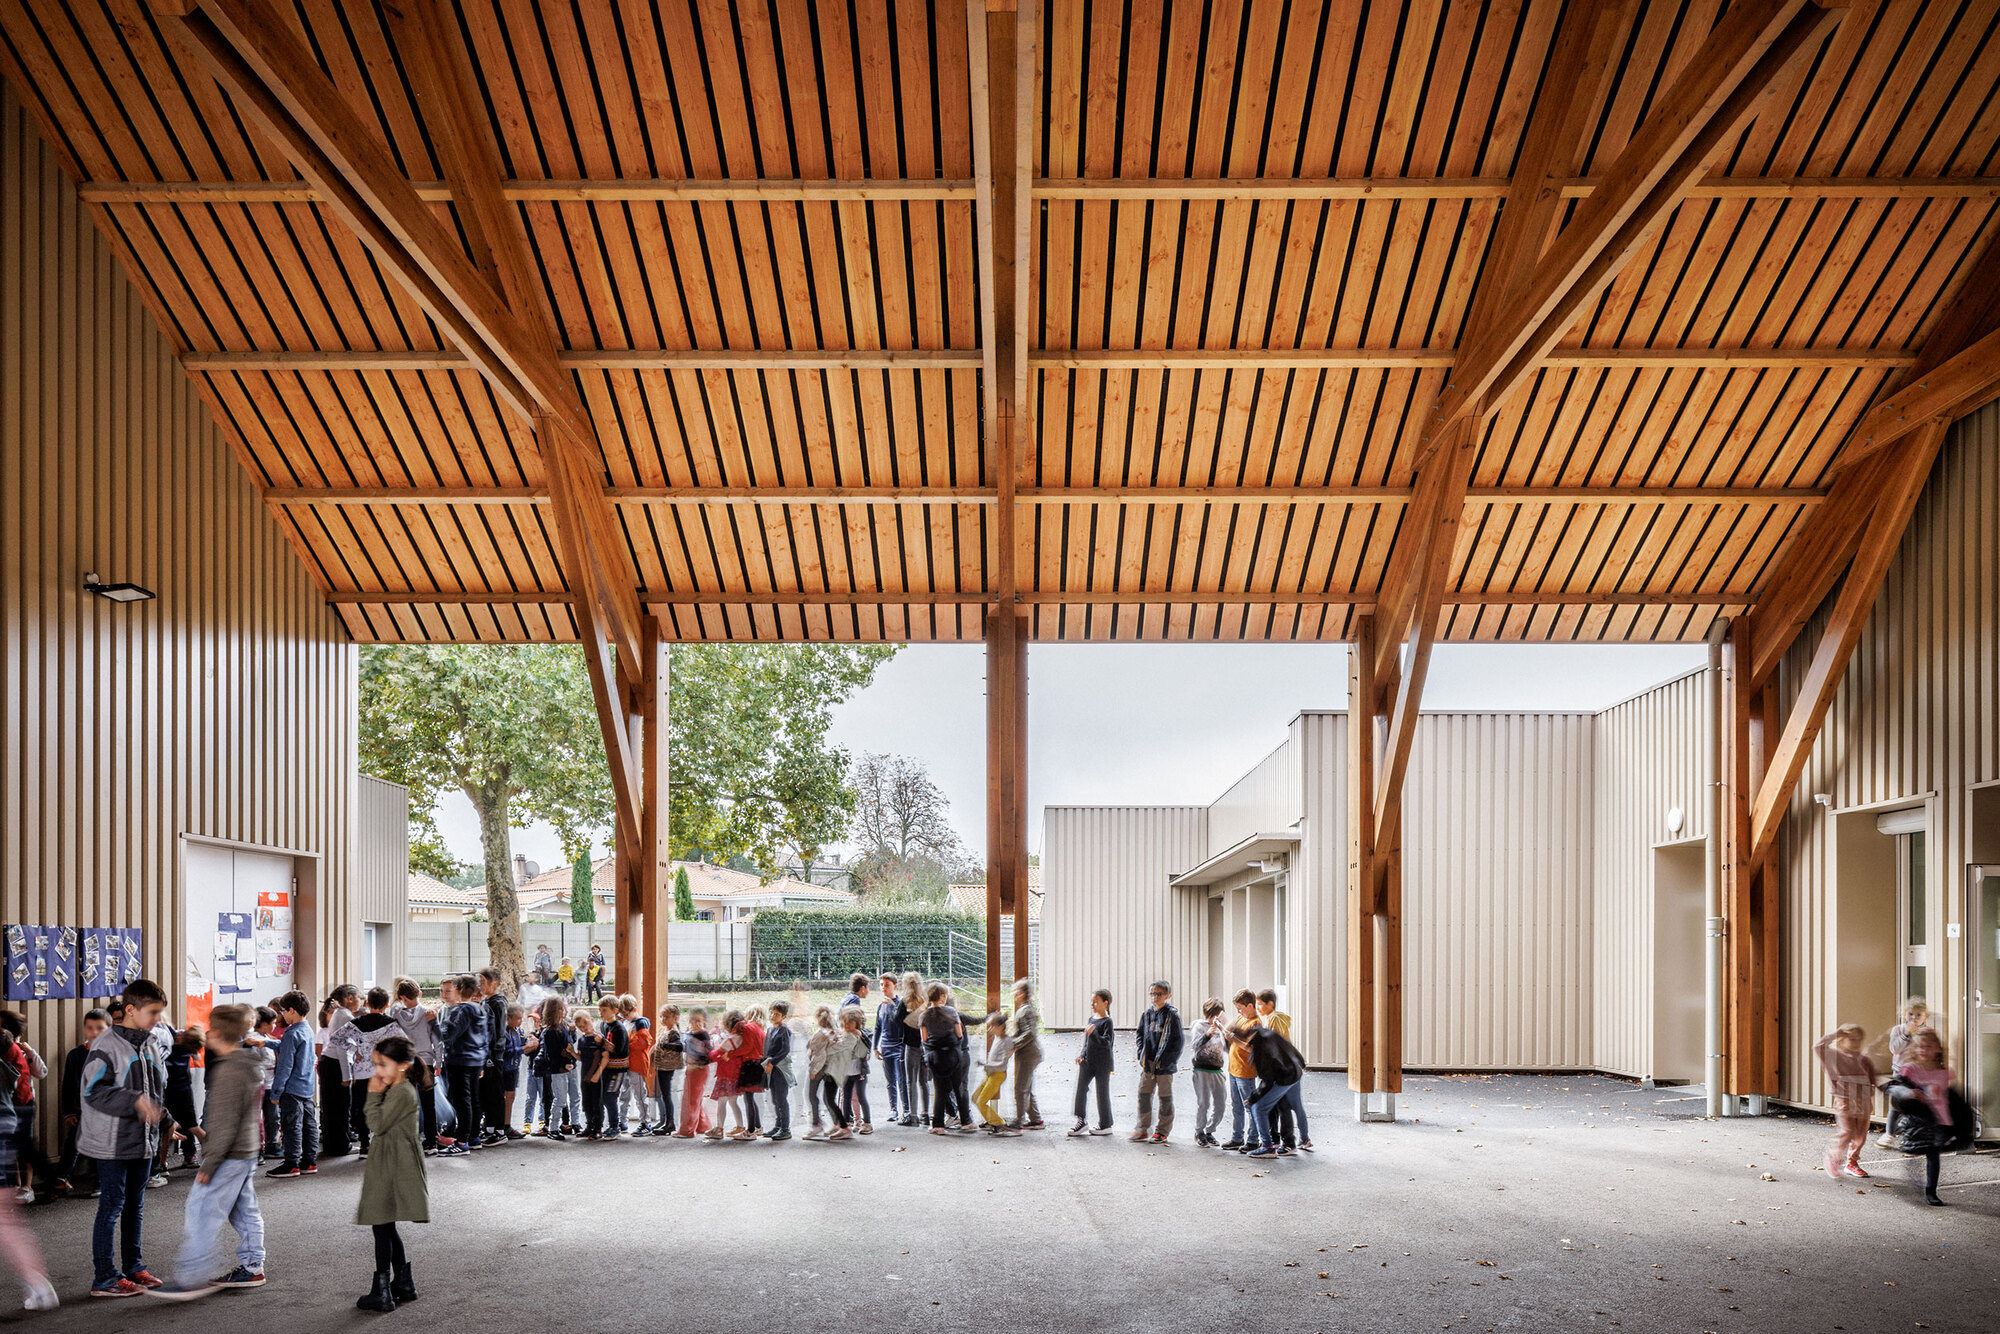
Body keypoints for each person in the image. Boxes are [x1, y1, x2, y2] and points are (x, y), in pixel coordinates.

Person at [147, 1004, 267, 1300]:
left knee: (200, 1211)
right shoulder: (247, 1063)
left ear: (218, 1032)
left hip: (229, 1155)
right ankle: (253, 1266)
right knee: (244, 1210)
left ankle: (191, 1278)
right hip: (245, 1152)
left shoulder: (228, 1071)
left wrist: (208, 1165)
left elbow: (224, 1126)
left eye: (211, 1026)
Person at [80, 978, 173, 1298]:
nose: (159, 1019)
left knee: (135, 1204)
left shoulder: (150, 1043)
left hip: (143, 1140)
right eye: (154, 1012)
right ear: (131, 1010)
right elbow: (93, 1093)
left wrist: (167, 1121)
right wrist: (133, 1101)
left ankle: (134, 1268)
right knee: (112, 1206)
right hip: (112, 1143)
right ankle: (104, 1277)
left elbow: (156, 1090)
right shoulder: (105, 1046)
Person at [353, 1035, 427, 1313]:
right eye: (376, 1065)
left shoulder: (401, 1092)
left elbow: (377, 1123)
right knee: (385, 1223)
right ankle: (403, 1283)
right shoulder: (400, 1089)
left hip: (393, 1165)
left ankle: (382, 1291)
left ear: (403, 1066)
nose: (378, 1072)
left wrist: (372, 1094)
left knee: (380, 1222)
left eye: (382, 1065)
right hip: (392, 1160)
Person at [0, 1015, 55, 1311]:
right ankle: (37, 1281)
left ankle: (37, 1283)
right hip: (7, 1139)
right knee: (9, 1226)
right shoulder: (9, 1068)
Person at [1889, 1028, 1971, 1206]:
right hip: (1918, 1121)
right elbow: (1897, 1088)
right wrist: (1910, 1093)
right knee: (1915, 1151)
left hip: (1939, 1120)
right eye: (1919, 1047)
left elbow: (1950, 1096)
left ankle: (1931, 1190)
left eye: (1927, 1046)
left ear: (1938, 1050)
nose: (1923, 1050)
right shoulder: (1910, 1069)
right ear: (1914, 1050)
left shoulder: (1944, 1072)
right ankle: (1914, 1180)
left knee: (1933, 1154)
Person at [331, 989, 398, 1155]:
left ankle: (365, 1145)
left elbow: (335, 1038)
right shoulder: (391, 1023)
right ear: (387, 1004)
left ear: (367, 1004)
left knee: (362, 1107)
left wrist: (355, 1048)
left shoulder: (357, 1022)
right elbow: (403, 1042)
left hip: (361, 1072)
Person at [55, 1008, 108, 1198]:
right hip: (81, 1109)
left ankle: (100, 1182)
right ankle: (61, 1178)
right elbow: (67, 1084)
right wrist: (69, 1111)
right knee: (74, 1142)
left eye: (100, 1028)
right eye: (90, 1027)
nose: (94, 1032)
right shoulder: (75, 1055)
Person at [1814, 1024, 1879, 1180]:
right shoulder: (1834, 1056)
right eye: (1851, 1039)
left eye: (1858, 1040)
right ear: (1842, 1040)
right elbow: (1818, 1047)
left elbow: (1872, 1080)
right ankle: (1834, 1156)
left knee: (1860, 1135)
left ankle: (1852, 1163)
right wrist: (1835, 1034)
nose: (1855, 1043)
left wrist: (1872, 1096)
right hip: (1845, 1101)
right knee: (1847, 1131)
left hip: (1863, 1102)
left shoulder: (1864, 1060)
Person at [265, 990, 318, 1179]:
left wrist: (276, 1093)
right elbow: (287, 1047)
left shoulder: (291, 1034)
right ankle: (309, 1161)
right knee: (308, 1124)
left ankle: (291, 1163)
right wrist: (266, 1042)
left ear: (292, 1011)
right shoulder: (307, 1030)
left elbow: (285, 1066)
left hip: (291, 1089)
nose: (282, 1015)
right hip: (306, 1086)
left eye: (283, 1011)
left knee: (291, 1126)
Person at [433, 976, 488, 1156]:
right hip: (475, 1059)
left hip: (460, 1060)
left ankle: (462, 1141)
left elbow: (448, 1033)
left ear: (460, 989)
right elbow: (484, 1037)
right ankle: (473, 1137)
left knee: (462, 1100)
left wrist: (433, 1023)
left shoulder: (461, 1010)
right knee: (473, 1099)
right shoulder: (479, 1009)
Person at [1238, 1022, 1307, 1160]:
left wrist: (1253, 1098)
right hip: (1295, 1072)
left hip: (1284, 1078)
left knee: (1258, 1108)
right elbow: (1291, 1048)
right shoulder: (1269, 1033)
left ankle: (1268, 1147)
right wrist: (1301, 1063)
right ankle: (1297, 1141)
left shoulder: (1258, 1051)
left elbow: (1267, 1081)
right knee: (1290, 1106)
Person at [388, 980, 440, 1153]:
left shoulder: (396, 1015)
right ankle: (431, 1141)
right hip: (425, 1063)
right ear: (420, 994)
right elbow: (437, 1042)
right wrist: (439, 1062)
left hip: (405, 1064)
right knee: (428, 1105)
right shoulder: (429, 1014)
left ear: (402, 997)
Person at [0, 1017, 45, 1202]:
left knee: (23, 1146)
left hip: (23, 1104)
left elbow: (41, 1072)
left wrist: (31, 1053)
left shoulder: (20, 1052)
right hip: (9, 1106)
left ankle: (27, 1187)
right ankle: (15, 1186)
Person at [1132, 981, 1183, 1143]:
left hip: (1164, 1066)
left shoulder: (1171, 1015)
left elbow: (1178, 1041)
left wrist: (1169, 1060)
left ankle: (1162, 1131)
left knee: (1165, 1098)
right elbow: (1140, 1034)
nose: (1155, 997)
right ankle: (1142, 1129)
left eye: (1159, 994)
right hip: (1148, 1063)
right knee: (1144, 1095)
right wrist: (1141, 1053)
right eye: (1152, 994)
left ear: (1168, 996)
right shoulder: (1147, 1014)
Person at [921, 983, 974, 1135]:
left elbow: (924, 1038)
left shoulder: (924, 1015)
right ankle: (966, 1121)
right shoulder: (951, 1011)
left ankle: (938, 1125)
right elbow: (959, 1034)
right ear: (943, 996)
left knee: (939, 1090)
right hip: (954, 1055)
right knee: (959, 1088)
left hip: (935, 1057)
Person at [1877, 999, 1930, 1147]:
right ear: (1903, 1014)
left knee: (1916, 1105)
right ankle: (1889, 1134)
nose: (1914, 1018)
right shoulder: (1898, 1030)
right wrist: (1907, 1034)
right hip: (1900, 1074)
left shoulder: (1927, 1032)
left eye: (1918, 1014)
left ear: (1925, 1016)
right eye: (1910, 1014)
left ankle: (1911, 1136)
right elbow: (1894, 1049)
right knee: (1897, 1104)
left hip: (1920, 1075)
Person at [318, 987, 359, 1157]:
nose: (361, 1001)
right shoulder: (345, 1016)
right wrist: (347, 1075)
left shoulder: (339, 1013)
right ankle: (342, 1146)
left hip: (330, 1063)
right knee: (341, 1107)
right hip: (335, 1064)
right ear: (349, 998)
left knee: (331, 1108)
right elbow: (342, 1047)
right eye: (359, 997)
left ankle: (332, 1144)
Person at [1068, 988, 1114, 1137]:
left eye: (1096, 1001)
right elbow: (1087, 1042)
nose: (1092, 1004)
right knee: (1081, 1090)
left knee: (1102, 1093)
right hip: (1087, 1062)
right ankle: (1081, 1121)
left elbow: (1107, 1043)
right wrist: (1082, 1055)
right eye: (1091, 1001)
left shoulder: (1107, 1022)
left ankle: (1106, 1125)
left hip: (1102, 1064)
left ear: (1105, 1003)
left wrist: (1093, 1033)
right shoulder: (1091, 1019)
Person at [1219, 990, 1261, 1151]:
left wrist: (1233, 1037)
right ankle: (1237, 1138)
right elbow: (1230, 1032)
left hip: (1246, 1072)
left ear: (1250, 1005)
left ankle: (1252, 1141)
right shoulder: (1240, 1018)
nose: (1238, 1012)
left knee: (1250, 1107)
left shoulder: (1255, 1023)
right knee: (1236, 1106)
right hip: (1234, 1069)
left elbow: (1250, 1047)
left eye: (1240, 1008)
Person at [532, 997, 578, 1140]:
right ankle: (553, 1128)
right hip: (558, 1071)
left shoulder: (564, 1026)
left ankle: (575, 1123)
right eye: (559, 1008)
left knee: (575, 1097)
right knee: (560, 1100)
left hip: (570, 1068)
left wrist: (573, 1032)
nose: (563, 1011)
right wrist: (563, 1065)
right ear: (553, 1011)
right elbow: (551, 1055)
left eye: (563, 1008)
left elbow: (571, 1043)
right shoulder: (549, 1032)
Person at [1188, 998, 1230, 1147]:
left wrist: (1227, 1035)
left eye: (1218, 1015)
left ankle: (1209, 1130)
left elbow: (1227, 1049)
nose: (1215, 1018)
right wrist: (1208, 1034)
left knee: (1220, 1103)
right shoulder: (1200, 1026)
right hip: (1201, 1069)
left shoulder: (1221, 1028)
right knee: (1204, 1103)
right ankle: (1199, 1132)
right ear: (1207, 1014)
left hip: (1217, 1069)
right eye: (1213, 1015)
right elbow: (1194, 1045)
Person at [476, 969, 509, 1145]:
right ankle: (488, 1128)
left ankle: (499, 1131)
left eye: (483, 982)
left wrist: (491, 1055)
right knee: (485, 1093)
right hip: (483, 1054)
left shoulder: (498, 1003)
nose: (480, 985)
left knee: (495, 1093)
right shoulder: (484, 1001)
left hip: (493, 1057)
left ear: (494, 983)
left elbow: (496, 1033)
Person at [973, 1013, 1019, 1136]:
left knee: (981, 1101)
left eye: (991, 1026)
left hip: (998, 1075)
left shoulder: (1007, 1041)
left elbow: (1001, 1064)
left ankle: (999, 1124)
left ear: (1000, 1026)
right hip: (991, 1074)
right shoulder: (997, 1038)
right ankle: (991, 1120)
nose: (989, 1030)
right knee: (975, 1098)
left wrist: (985, 1065)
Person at [1006, 979, 1043, 1130]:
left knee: (1021, 1088)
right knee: (1026, 1087)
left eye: (1015, 991)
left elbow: (1030, 1033)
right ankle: (1035, 1119)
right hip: (1028, 1054)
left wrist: (1015, 1044)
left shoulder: (1026, 1010)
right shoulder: (1024, 1008)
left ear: (1022, 993)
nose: (1014, 994)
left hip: (1028, 1054)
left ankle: (1019, 1120)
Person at [706, 1011, 748, 1141]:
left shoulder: (731, 1040)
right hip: (737, 1075)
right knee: (733, 1101)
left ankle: (719, 1128)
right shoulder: (742, 1039)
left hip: (726, 1075)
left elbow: (716, 1054)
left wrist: (705, 1056)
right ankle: (740, 1126)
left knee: (722, 1102)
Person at [593, 999, 629, 1140]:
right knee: (605, 1096)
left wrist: (602, 1042)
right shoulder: (603, 1025)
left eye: (604, 1010)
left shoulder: (619, 1028)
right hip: (606, 1067)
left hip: (618, 1068)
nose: (601, 1013)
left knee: (610, 1096)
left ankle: (615, 1126)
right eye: (600, 1010)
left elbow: (618, 1049)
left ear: (615, 1011)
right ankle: (612, 1124)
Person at [896, 972, 929, 1127]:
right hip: (926, 1046)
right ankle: (926, 1114)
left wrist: (890, 1007)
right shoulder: (926, 1001)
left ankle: (913, 1116)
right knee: (924, 1082)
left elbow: (896, 1020)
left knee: (911, 1081)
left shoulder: (904, 1003)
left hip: (911, 1046)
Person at [674, 1009, 712, 1139]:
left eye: (699, 1020)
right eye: (693, 1019)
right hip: (690, 1070)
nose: (695, 1022)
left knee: (690, 1100)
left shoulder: (704, 1035)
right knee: (694, 1099)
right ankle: (703, 1126)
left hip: (698, 1070)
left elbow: (708, 1056)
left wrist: (696, 1063)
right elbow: (685, 1048)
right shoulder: (690, 1033)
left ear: (704, 1021)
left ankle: (687, 1130)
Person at [618, 996, 653, 1136]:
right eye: (622, 1015)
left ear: (634, 1010)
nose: (625, 1017)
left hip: (637, 1064)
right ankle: (622, 1121)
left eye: (626, 1014)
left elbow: (643, 1042)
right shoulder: (626, 1023)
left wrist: (625, 1044)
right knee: (624, 1094)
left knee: (640, 1095)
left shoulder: (641, 1023)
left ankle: (646, 1123)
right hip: (626, 1063)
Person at [762, 1000, 795, 1142]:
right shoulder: (770, 1029)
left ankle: (785, 1128)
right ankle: (778, 1125)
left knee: (781, 1099)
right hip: (771, 1067)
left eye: (777, 1014)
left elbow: (785, 1050)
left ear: (783, 1017)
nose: (773, 1016)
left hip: (780, 1068)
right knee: (775, 1099)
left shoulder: (784, 1030)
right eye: (772, 1013)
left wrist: (772, 1062)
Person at [874, 974, 904, 1125]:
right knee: (890, 1080)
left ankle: (906, 1109)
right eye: (881, 984)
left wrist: (891, 1004)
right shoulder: (881, 1006)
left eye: (887, 984)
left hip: (898, 1047)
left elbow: (899, 1022)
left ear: (895, 986)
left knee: (901, 1080)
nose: (883, 988)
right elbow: (878, 1027)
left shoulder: (899, 1004)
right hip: (885, 1048)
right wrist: (874, 1046)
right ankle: (893, 1109)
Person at [804, 1006, 837, 1140]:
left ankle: (816, 1123)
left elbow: (819, 1054)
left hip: (820, 1068)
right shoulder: (832, 1032)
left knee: (811, 1095)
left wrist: (813, 1070)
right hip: (830, 1068)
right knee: (827, 1098)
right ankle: (836, 1123)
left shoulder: (821, 1033)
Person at [736, 1006, 767, 1138]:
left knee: (748, 1098)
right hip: (759, 1064)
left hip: (749, 1064)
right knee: (751, 1097)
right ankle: (758, 1126)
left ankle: (750, 1130)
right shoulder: (761, 1029)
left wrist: (732, 1053)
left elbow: (746, 1047)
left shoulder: (748, 1027)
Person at [497, 1005, 527, 1141]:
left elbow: (523, 1042)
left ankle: (506, 1124)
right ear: (508, 1018)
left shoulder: (518, 1031)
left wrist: (532, 1041)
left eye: (521, 1018)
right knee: (504, 1097)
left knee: (511, 1096)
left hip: (514, 1068)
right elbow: (505, 1051)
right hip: (505, 1069)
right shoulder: (503, 1032)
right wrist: (523, 1049)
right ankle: (501, 1125)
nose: (520, 1021)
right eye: (517, 1018)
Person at [652, 1005, 682, 1138]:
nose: (663, 1019)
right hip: (661, 1066)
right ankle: (666, 1120)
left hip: (667, 1066)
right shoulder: (665, 1030)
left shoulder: (673, 1032)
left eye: (666, 1017)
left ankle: (670, 1122)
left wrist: (665, 1045)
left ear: (675, 1018)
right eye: (661, 1016)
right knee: (663, 1094)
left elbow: (679, 1046)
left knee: (666, 1094)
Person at [576, 1013, 606, 1140]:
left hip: (597, 1076)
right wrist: (572, 1052)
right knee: (586, 1101)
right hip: (585, 1075)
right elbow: (580, 1057)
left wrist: (598, 1074)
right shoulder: (582, 1040)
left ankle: (598, 1128)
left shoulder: (599, 1038)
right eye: (581, 1027)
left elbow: (605, 1057)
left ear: (592, 1020)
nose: (584, 1028)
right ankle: (589, 1126)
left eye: (586, 1024)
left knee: (597, 1102)